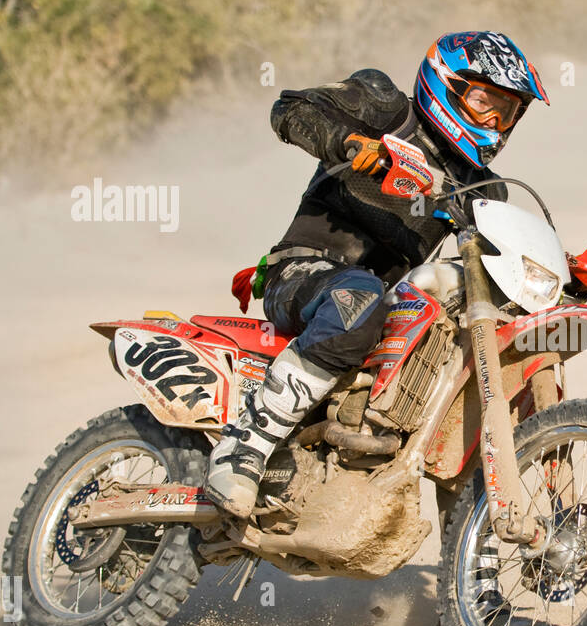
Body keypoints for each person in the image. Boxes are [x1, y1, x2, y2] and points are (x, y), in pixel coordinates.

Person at [204, 31, 548, 517]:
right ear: (447, 83)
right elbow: (292, 109)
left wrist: (559, 272)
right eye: (482, 101)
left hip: (380, 308)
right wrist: (352, 141)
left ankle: (480, 563)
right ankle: (242, 447)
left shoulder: (483, 190)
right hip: (304, 272)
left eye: (506, 111)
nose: (493, 120)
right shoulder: (387, 109)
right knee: (360, 296)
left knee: (455, 337)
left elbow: (499, 259)